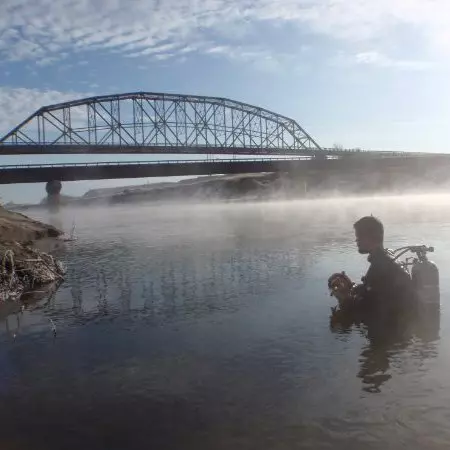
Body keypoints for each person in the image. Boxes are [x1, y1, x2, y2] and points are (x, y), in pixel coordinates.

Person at [329, 216, 415, 323]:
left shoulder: (380, 268)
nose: (356, 240)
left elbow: (369, 308)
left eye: (359, 236)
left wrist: (343, 298)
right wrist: (351, 286)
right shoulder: (386, 259)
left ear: (371, 237)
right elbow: (373, 292)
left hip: (389, 334)